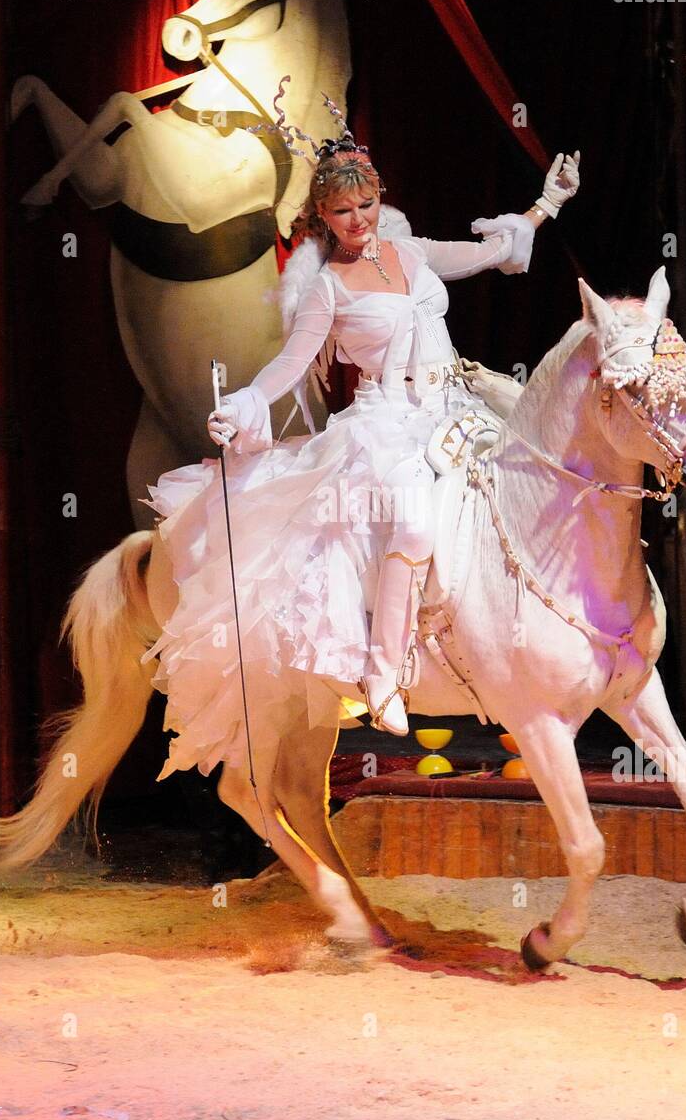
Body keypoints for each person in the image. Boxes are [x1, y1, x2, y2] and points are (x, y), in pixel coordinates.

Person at [140, 97, 579, 780]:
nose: (358, 221)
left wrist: (545, 204)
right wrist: (248, 401)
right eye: (342, 212)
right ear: (323, 218)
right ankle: (385, 675)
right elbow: (290, 365)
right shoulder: (327, 289)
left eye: (366, 205)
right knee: (408, 519)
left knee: (530, 486)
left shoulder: (412, 253)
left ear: (380, 199)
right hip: (386, 424)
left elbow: (493, 251)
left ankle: (521, 642)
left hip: (458, 406)